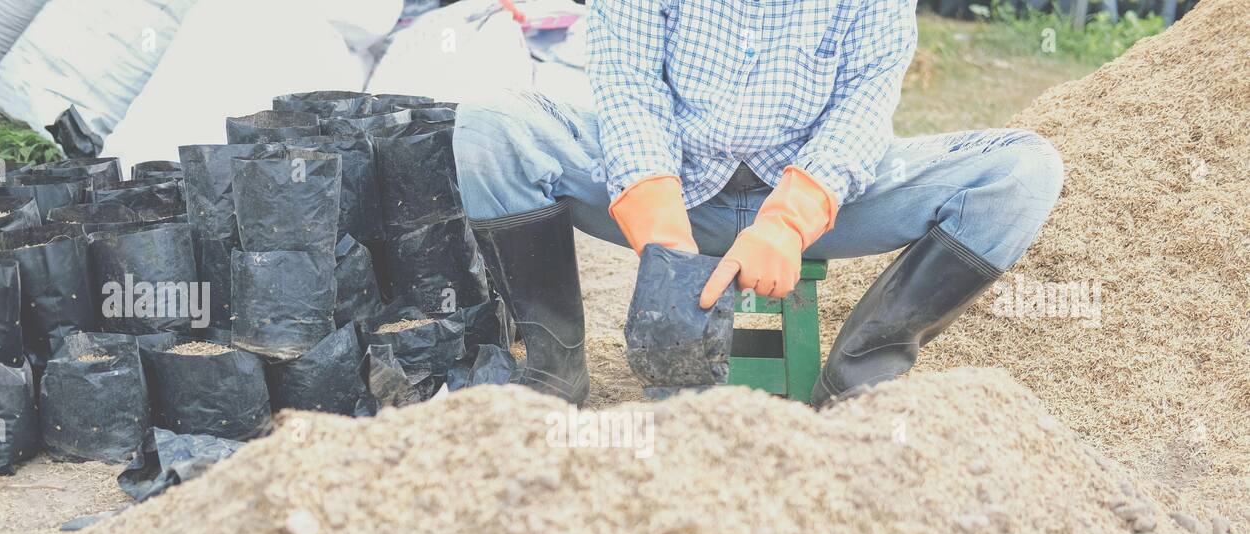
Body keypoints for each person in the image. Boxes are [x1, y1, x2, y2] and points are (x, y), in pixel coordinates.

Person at [453, 0, 1063, 407]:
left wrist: (789, 220)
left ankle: (855, 387)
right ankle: (554, 369)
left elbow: (863, 108)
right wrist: (663, 237)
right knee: (493, 126)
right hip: (671, 186)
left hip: (826, 199)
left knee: (1022, 170)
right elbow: (628, 86)